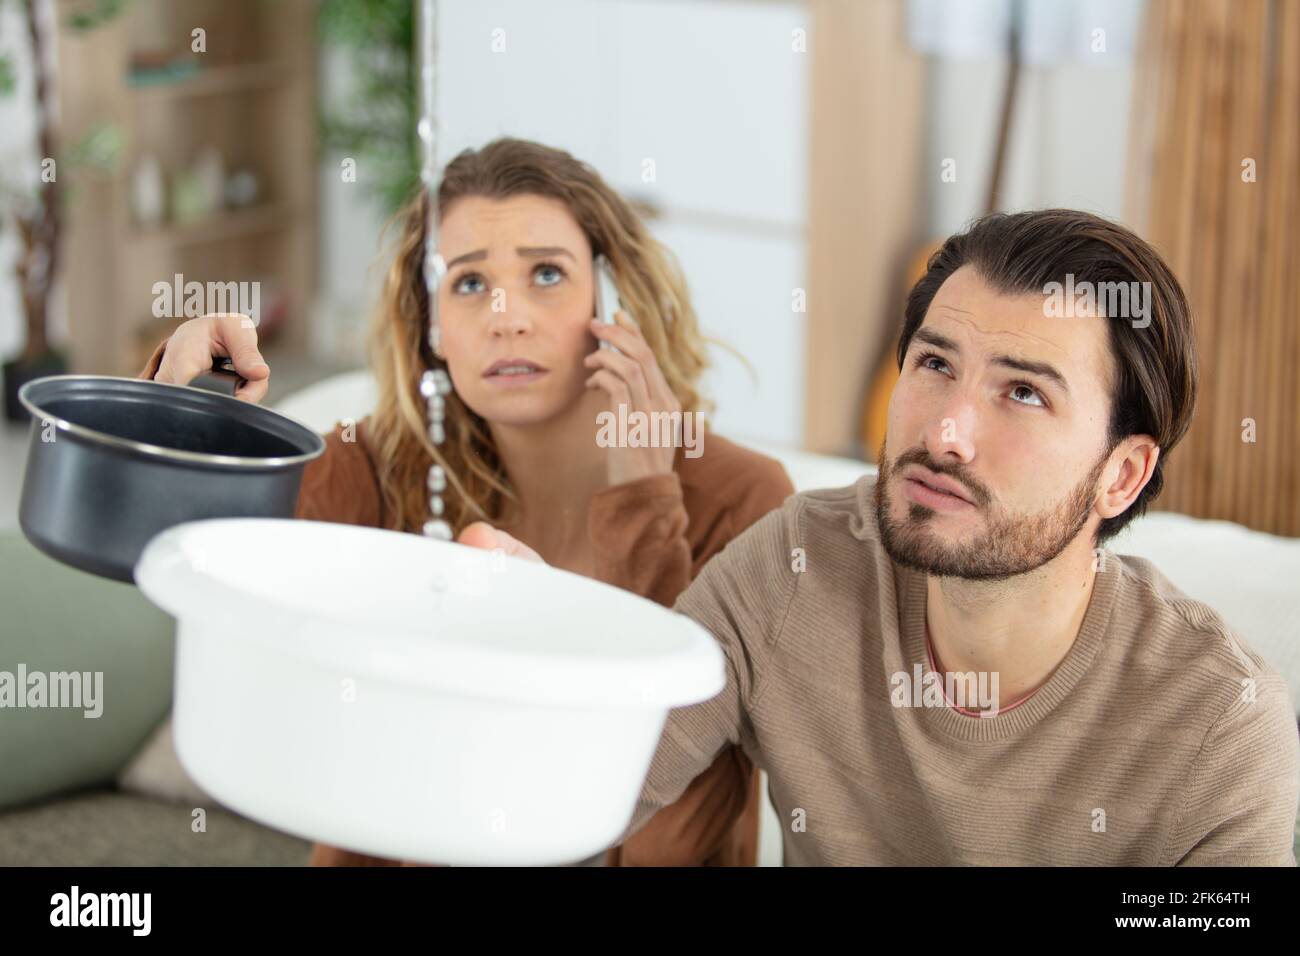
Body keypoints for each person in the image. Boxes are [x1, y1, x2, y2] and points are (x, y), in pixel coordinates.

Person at [466, 209, 1300, 865]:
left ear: (1121, 474)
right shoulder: (795, 567)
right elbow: (582, 790)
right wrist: (539, 648)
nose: (945, 434)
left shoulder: (1219, 726)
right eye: (935, 365)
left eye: (1023, 393)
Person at [137, 137, 794, 866]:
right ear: (435, 326)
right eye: (471, 283)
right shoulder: (380, 470)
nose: (506, 317)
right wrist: (188, 409)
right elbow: (169, 541)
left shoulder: (741, 501)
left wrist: (644, 509)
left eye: (547, 273)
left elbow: (675, 851)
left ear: (617, 304)